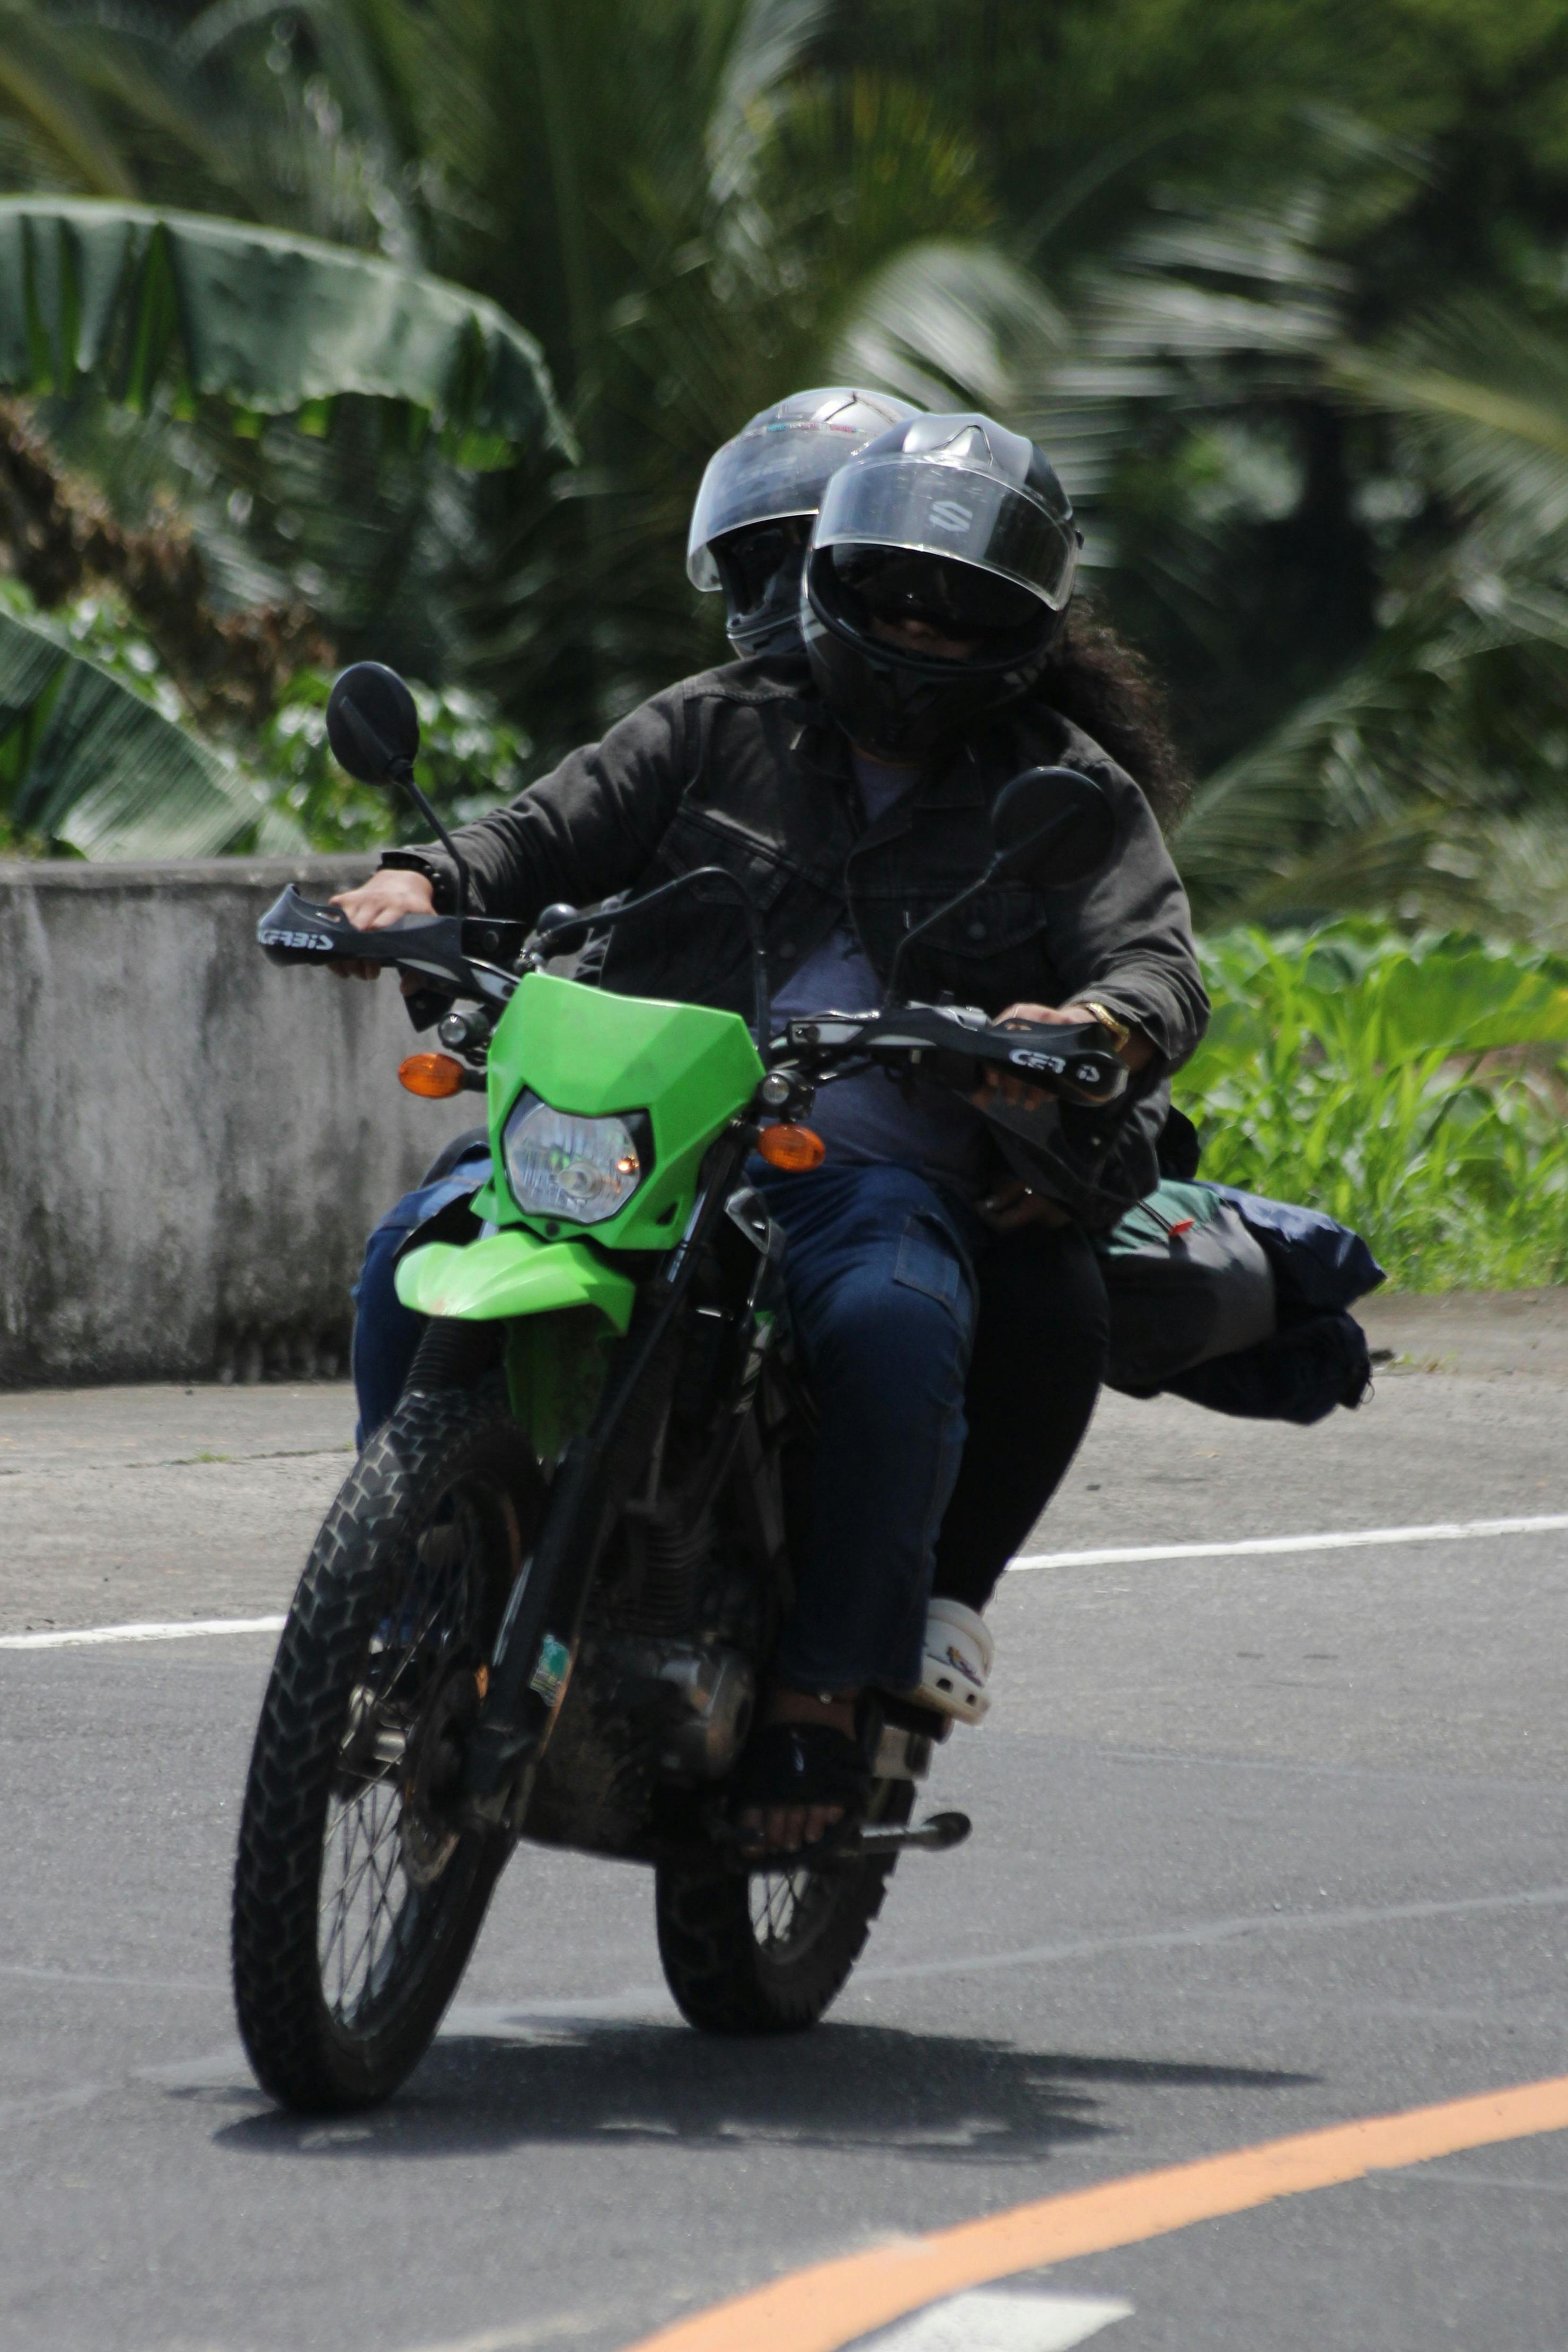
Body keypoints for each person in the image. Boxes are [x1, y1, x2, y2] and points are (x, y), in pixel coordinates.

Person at [334, 410, 1207, 1856]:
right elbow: (539, 833)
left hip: (859, 1173)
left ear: (1022, 629)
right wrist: (419, 882)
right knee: (408, 1254)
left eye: (958, 610)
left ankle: (819, 1692)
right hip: (642, 1136)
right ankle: (408, 1603)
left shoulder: (1061, 784)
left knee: (896, 1329)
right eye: (893, 596)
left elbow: (1155, 962)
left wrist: (1095, 1025)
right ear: (833, 575)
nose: (918, 631)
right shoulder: (712, 722)